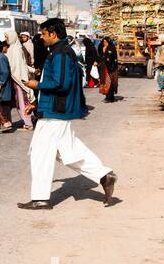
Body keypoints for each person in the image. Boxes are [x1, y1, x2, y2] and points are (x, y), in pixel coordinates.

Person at [19, 18, 117, 210]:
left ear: (53, 34)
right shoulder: (57, 52)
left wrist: (36, 85)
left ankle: (40, 198)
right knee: (66, 151)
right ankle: (104, 176)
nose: (41, 37)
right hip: (52, 109)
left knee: (41, 153)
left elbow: (61, 84)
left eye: (44, 34)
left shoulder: (62, 54)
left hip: (56, 111)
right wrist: (36, 102)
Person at [2, 30, 34, 129]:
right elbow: (23, 64)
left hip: (17, 79)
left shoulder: (14, 49)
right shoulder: (16, 48)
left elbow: (16, 65)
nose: (6, 39)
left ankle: (28, 123)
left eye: (7, 37)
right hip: (16, 78)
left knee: (21, 102)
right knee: (11, 102)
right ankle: (0, 121)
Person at [98, 35, 119, 103]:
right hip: (104, 69)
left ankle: (110, 97)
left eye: (106, 42)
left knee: (110, 83)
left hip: (111, 69)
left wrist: (106, 52)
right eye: (103, 42)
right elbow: (100, 56)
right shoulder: (102, 48)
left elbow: (112, 58)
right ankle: (107, 96)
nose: (104, 43)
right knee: (105, 83)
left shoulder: (111, 48)